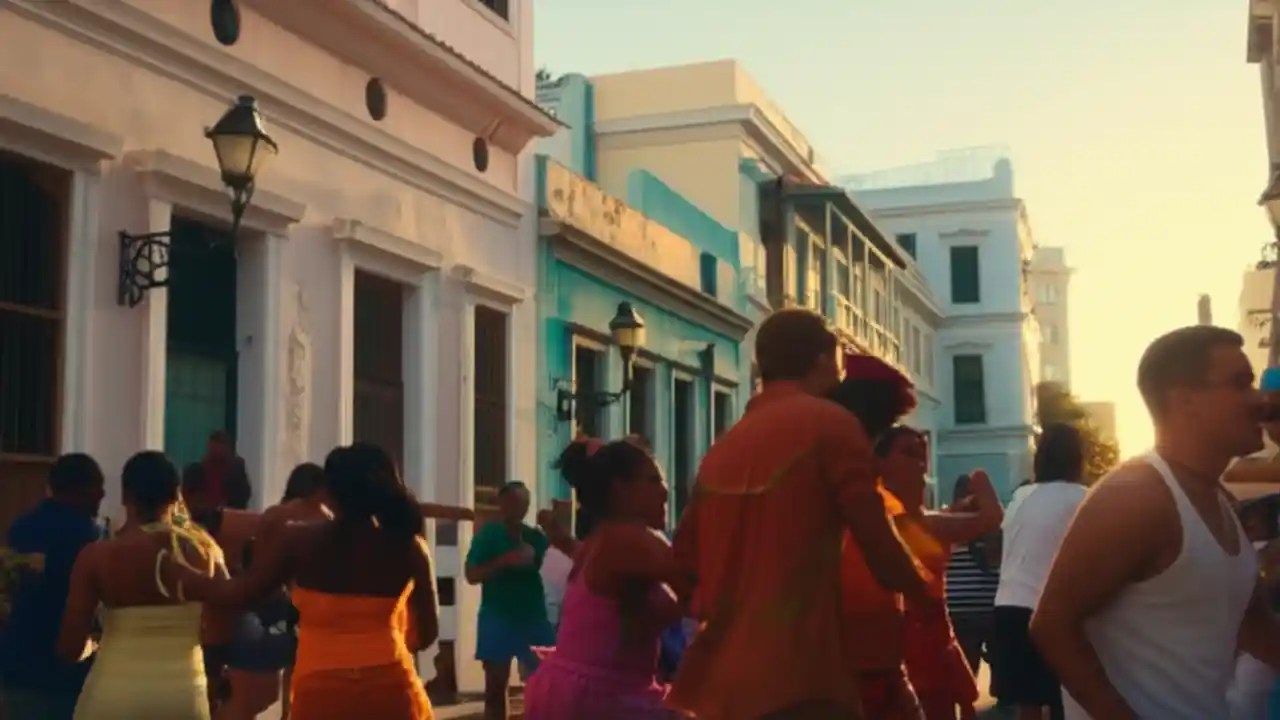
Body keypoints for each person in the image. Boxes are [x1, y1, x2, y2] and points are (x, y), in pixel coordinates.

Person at [669, 308, 929, 720]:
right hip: (801, 679)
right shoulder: (832, 426)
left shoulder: (723, 450)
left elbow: (681, 566)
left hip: (724, 685)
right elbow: (882, 554)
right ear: (823, 359)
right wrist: (923, 592)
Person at [1031, 326, 1275, 719]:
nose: (1261, 400)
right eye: (1241, 384)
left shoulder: (1221, 502)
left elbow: (1254, 626)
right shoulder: (1137, 496)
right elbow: (1052, 625)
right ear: (1186, 401)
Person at [179, 443, 439, 719]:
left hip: (321, 694)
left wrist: (182, 575)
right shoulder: (410, 548)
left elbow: (239, 593)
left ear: (329, 493)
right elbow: (426, 635)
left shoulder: (299, 541)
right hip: (393, 689)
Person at [523, 438, 684, 719]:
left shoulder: (604, 541)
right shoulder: (629, 539)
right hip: (603, 701)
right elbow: (698, 578)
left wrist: (560, 539)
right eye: (653, 480)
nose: (665, 492)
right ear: (621, 489)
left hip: (592, 694)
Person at [60, 451, 227, 719]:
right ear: (176, 496)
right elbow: (220, 634)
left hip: (113, 695)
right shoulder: (205, 554)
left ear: (126, 496)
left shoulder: (96, 557)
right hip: (182, 696)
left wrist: (93, 644)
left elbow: (70, 647)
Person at [826, 354, 928, 720]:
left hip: (864, 668)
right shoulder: (851, 478)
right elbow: (890, 566)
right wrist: (919, 588)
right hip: (852, 672)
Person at [882, 440, 1002, 720]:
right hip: (894, 655)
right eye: (909, 454)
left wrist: (976, 489)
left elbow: (991, 517)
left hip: (931, 651)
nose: (921, 466)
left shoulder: (930, 523)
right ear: (880, 465)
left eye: (922, 457)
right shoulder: (881, 521)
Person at [990, 423, 1087, 720]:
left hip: (1009, 608)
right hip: (1054, 612)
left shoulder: (1021, 497)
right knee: (1068, 701)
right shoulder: (1084, 498)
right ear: (1077, 459)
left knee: (1027, 705)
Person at [0, 453, 105, 719]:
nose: (102, 495)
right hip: (63, 674)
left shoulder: (21, 527)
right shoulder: (87, 536)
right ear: (80, 490)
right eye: (97, 488)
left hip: (16, 666)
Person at [465, 481, 555, 720]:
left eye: (525, 503)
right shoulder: (488, 535)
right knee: (495, 686)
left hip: (533, 616)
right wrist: (505, 560)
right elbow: (471, 575)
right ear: (503, 504)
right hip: (497, 616)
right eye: (515, 502)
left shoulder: (536, 537)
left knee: (546, 685)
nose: (521, 508)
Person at [945, 480, 1001, 677]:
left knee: (969, 668)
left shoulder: (988, 527)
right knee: (970, 669)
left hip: (963, 607)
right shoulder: (948, 523)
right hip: (984, 607)